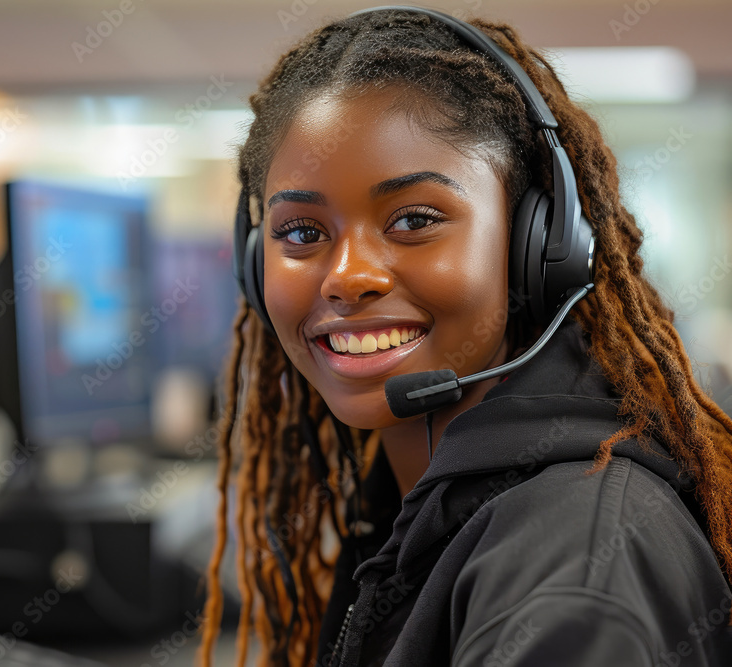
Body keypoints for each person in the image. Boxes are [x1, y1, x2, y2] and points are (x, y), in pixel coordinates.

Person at [195, 6, 732, 667]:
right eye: (302, 232)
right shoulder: (417, 505)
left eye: (413, 219)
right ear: (255, 266)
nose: (347, 277)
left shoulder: (574, 574)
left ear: (538, 247)